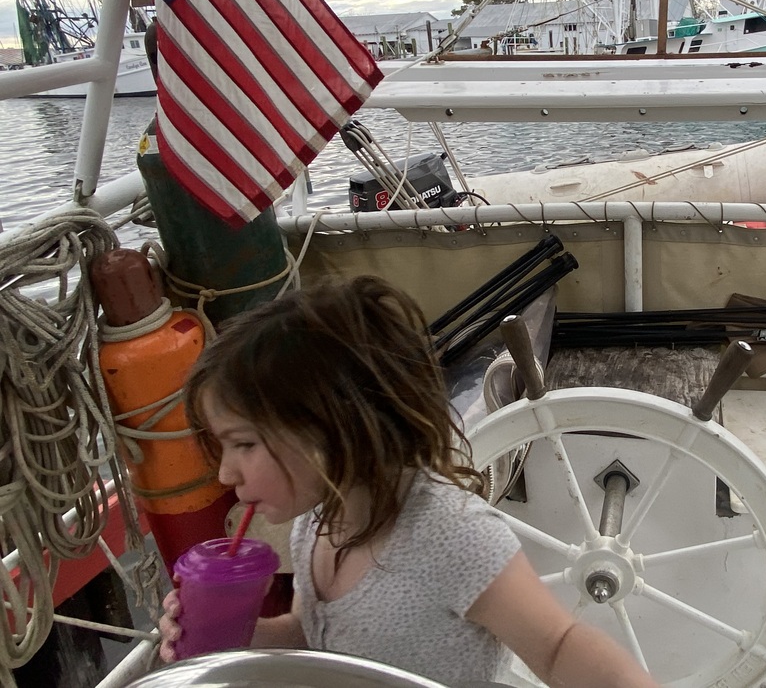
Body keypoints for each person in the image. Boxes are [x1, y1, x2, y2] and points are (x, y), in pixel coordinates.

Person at [158, 275, 658, 687]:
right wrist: (242, 635)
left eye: (243, 444)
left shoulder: (451, 535)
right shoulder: (317, 521)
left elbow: (557, 647)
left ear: (331, 429)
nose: (226, 472)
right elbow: (317, 639)